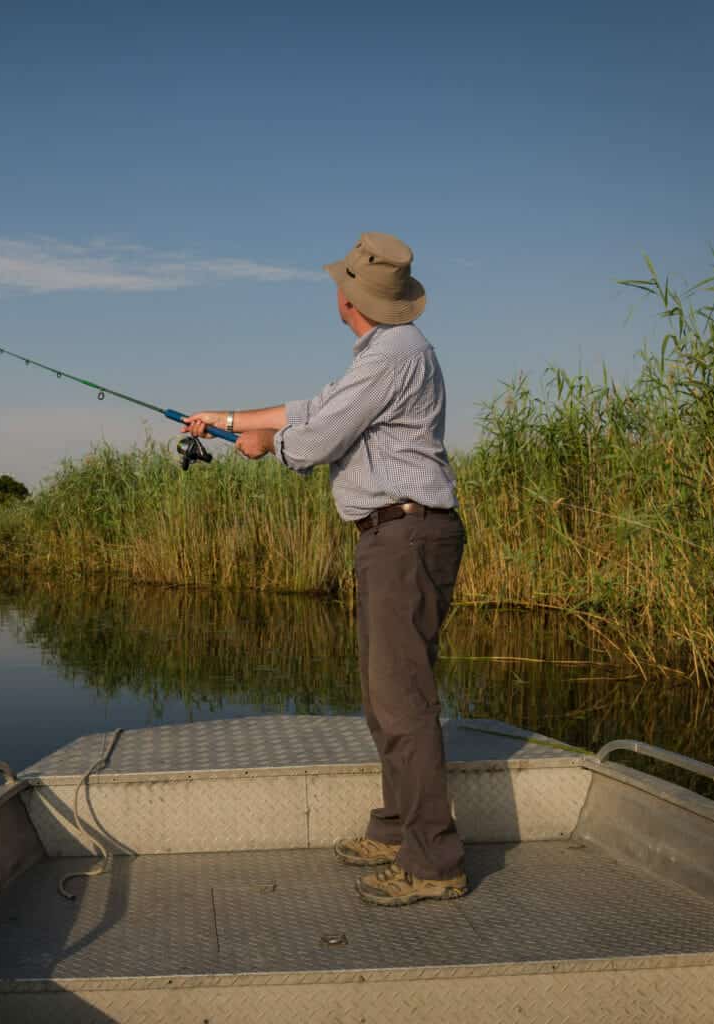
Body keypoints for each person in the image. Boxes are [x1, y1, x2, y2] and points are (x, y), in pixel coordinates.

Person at [183, 232, 468, 906]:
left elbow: (311, 438)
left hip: (407, 536)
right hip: (389, 537)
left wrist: (266, 447)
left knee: (404, 702)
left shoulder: (395, 354)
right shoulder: (382, 352)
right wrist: (220, 418)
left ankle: (435, 864)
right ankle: (399, 828)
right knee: (384, 698)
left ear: (349, 298)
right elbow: (313, 410)